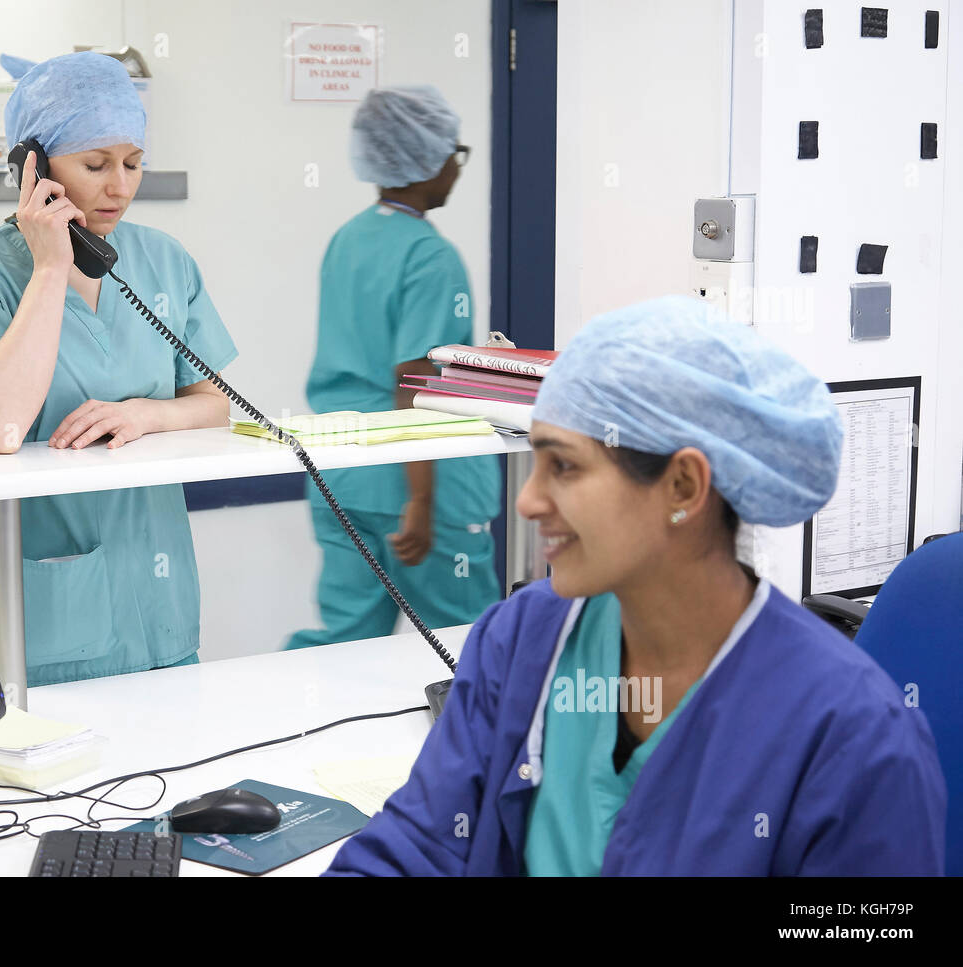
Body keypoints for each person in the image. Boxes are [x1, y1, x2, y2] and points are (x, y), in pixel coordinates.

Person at [325, 296, 946, 875]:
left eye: (564, 466)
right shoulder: (522, 641)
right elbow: (417, 847)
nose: (529, 500)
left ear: (682, 488)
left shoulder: (853, 737)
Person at [0, 52, 238, 685]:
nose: (119, 186)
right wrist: (48, 268)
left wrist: (147, 415)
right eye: (95, 165)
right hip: (40, 620)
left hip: (161, 601)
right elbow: (0, 426)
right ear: (34, 169)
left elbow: (216, 403)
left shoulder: (163, 262)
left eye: (133, 163)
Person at [287, 86, 502, 650]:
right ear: (427, 159)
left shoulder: (349, 239)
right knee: (466, 646)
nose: (457, 168)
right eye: (454, 153)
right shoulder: (432, 256)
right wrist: (421, 500)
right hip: (416, 483)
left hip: (344, 473)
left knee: (345, 645)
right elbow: (414, 381)